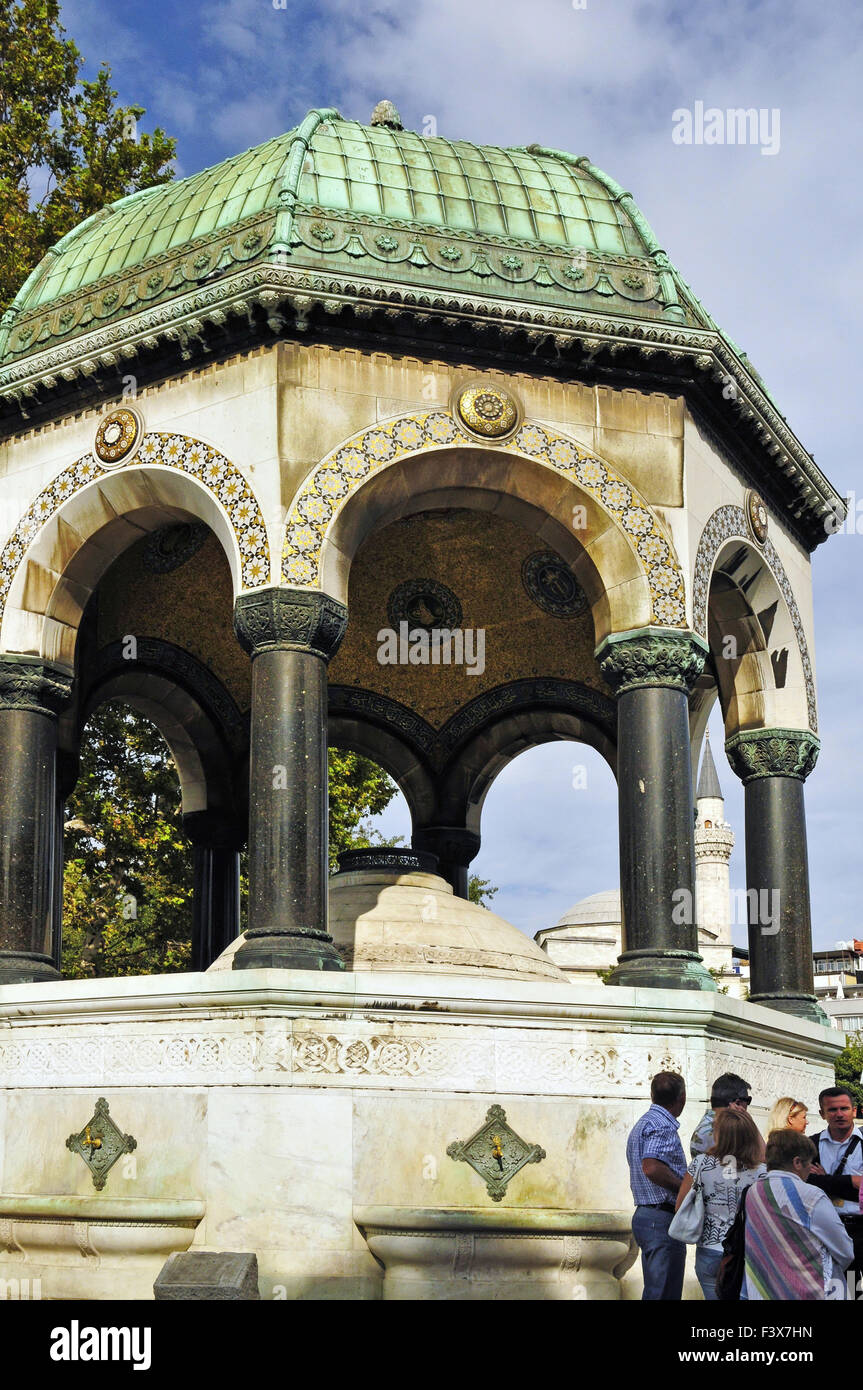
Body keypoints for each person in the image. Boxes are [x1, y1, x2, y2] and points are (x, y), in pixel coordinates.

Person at [743, 1129, 853, 1300]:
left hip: (763, 1290)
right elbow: (845, 1251)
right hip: (807, 1291)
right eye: (809, 1163)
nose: (811, 1169)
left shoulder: (753, 1191)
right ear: (797, 1163)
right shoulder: (812, 1196)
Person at [674, 1108, 765, 1300]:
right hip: (748, 1252)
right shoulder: (762, 1171)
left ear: (718, 1134)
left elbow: (680, 1205)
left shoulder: (700, 1163)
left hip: (710, 1249)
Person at [626, 1071, 687, 1300]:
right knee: (663, 1293)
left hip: (647, 1215)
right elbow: (651, 1167)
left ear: (652, 1095)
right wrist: (684, 1187)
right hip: (660, 1218)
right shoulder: (663, 1126)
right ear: (682, 1098)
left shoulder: (643, 1123)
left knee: (657, 1290)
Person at [806, 1086, 863, 1294]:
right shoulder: (810, 1145)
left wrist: (826, 1180)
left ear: (854, 1111)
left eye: (844, 1108)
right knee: (847, 1290)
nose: (839, 1114)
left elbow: (820, 1184)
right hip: (831, 1229)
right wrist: (852, 1182)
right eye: (832, 1110)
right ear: (822, 1114)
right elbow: (809, 1185)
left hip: (861, 1224)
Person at [690, 1073, 753, 1156]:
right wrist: (749, 1122)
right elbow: (763, 1157)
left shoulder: (708, 1124)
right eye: (748, 1100)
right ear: (737, 1103)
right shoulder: (718, 1130)